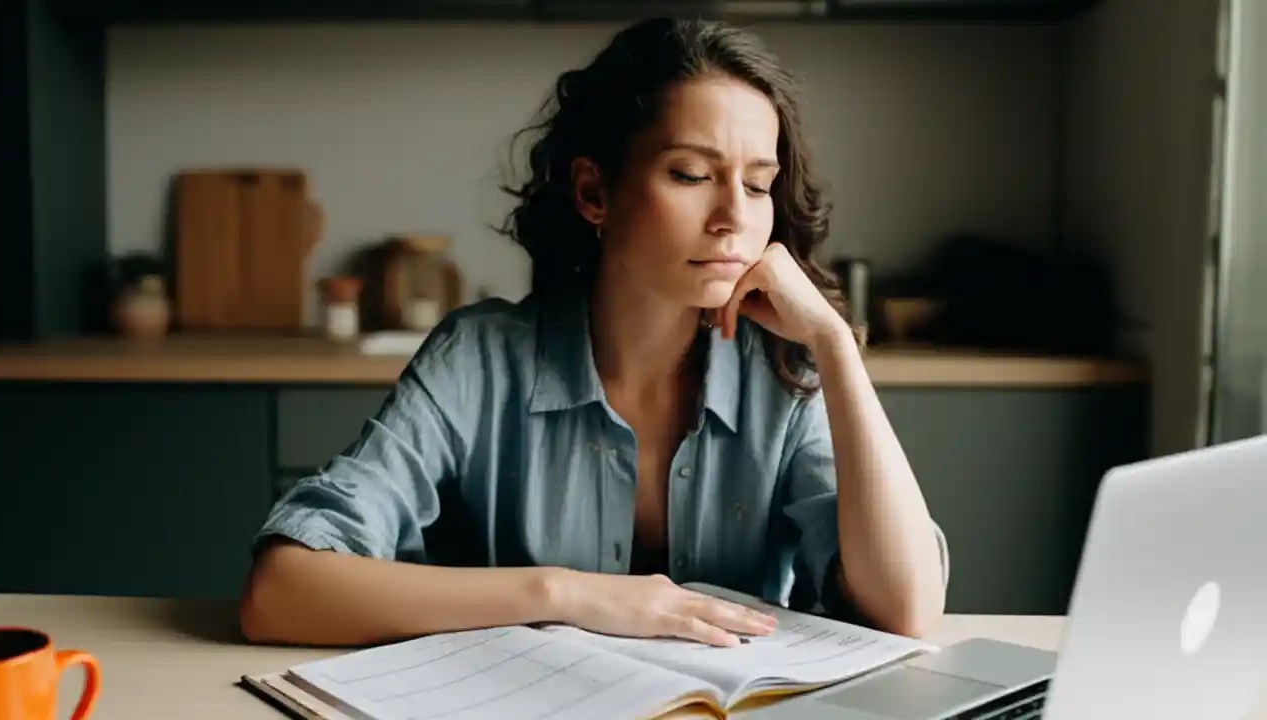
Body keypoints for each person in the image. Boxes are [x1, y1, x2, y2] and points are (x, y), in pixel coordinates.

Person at [239, 17, 948, 649]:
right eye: (692, 173)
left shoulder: (783, 373)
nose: (734, 215)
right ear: (593, 192)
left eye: (759, 184)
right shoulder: (479, 361)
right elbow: (281, 593)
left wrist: (833, 344)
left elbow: (909, 610)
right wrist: (567, 595)